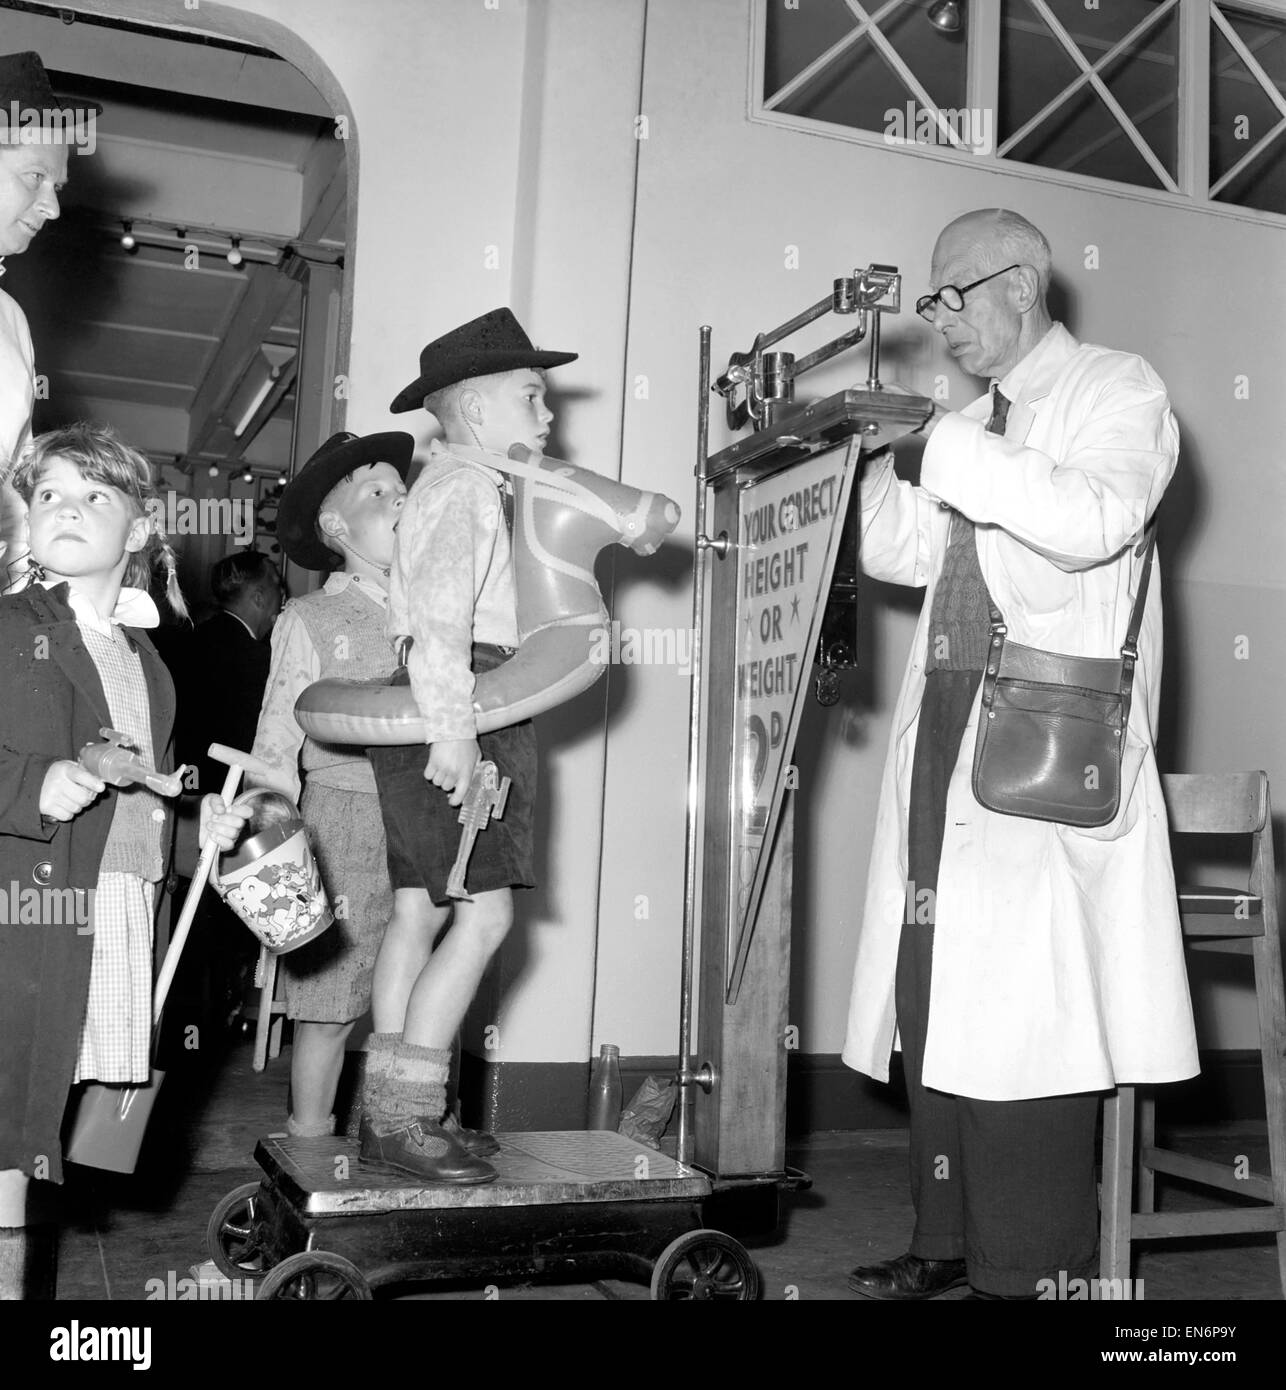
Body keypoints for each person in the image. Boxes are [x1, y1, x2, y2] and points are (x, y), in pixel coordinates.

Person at [841, 209, 1198, 1300]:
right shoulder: (967, 415)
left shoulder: (1114, 388)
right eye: (930, 301)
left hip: (1043, 725)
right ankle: (942, 1237)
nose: (937, 318)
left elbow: (1091, 519)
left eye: (953, 295)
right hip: (944, 716)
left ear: (1021, 281)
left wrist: (942, 443)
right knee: (931, 981)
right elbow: (897, 554)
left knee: (1023, 1008)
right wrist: (877, 460)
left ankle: (1032, 1268)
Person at [0, 422, 245, 1299]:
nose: (65, 508)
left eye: (94, 495)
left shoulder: (146, 656)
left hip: (113, 908)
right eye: (49, 494)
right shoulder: (9, 625)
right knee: (7, 1120)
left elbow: (141, 800)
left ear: (142, 530)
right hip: (27, 914)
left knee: (40, 1123)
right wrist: (33, 782)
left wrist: (194, 829)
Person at [358, 307, 577, 1184]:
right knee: (485, 918)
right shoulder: (469, 490)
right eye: (533, 396)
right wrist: (457, 732)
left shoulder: (441, 485)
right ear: (478, 413)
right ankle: (408, 1120)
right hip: (466, 702)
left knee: (420, 907)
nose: (549, 413)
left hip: (428, 701)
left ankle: (391, 1108)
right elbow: (444, 622)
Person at [249, 431, 411, 1140]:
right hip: (341, 817)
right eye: (378, 493)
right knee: (330, 1005)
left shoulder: (437, 614)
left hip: (425, 817)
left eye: (403, 489)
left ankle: (402, 1135)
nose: (400, 499)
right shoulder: (309, 618)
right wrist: (269, 846)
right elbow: (276, 747)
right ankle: (308, 1146)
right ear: (337, 528)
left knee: (411, 995)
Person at [0, 51, 92, 585]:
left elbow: (20, 482)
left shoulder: (11, 319)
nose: (51, 207)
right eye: (34, 176)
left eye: (55, 186)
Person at [176, 550, 282, 794]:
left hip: (181, 784)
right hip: (222, 794)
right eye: (277, 585)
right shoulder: (257, 659)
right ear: (259, 598)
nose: (283, 593)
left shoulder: (189, 639)